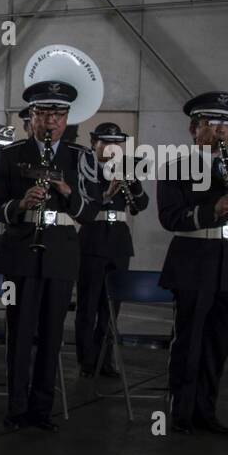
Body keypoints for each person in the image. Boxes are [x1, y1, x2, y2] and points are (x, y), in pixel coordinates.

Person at [157, 91, 228, 435]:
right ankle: (182, 411)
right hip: (193, 262)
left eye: (227, 124)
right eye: (213, 123)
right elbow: (170, 218)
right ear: (195, 129)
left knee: (218, 343)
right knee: (189, 341)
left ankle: (206, 412)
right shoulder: (175, 167)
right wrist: (214, 209)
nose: (221, 130)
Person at [0, 81, 98, 431]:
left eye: (58, 114)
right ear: (31, 117)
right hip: (20, 253)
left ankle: (41, 409)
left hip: (61, 256)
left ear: (67, 119)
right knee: (19, 332)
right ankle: (16, 407)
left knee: (52, 334)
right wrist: (20, 204)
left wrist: (66, 189)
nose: (51, 121)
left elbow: (89, 211)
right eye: (43, 113)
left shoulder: (81, 157)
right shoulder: (9, 154)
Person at [76, 121, 149, 377]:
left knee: (111, 308)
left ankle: (104, 361)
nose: (112, 147)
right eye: (106, 142)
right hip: (93, 239)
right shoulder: (86, 169)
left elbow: (140, 206)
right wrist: (106, 194)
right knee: (88, 305)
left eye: (117, 143)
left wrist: (133, 183)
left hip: (118, 241)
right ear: (94, 143)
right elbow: (84, 205)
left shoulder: (125, 169)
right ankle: (86, 360)